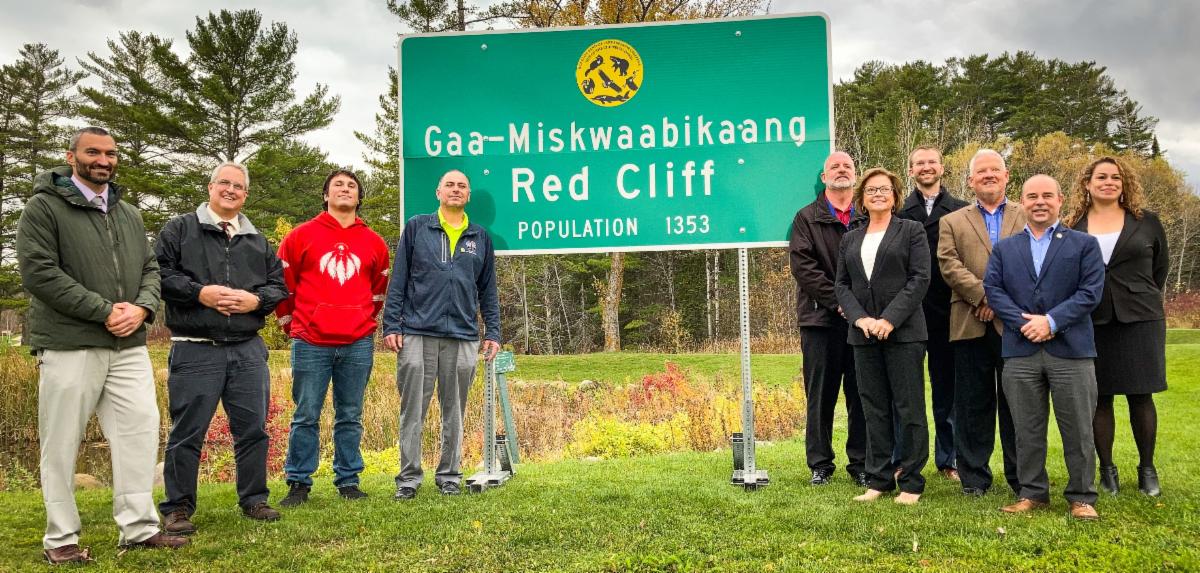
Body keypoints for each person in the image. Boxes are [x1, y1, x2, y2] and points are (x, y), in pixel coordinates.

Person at [16, 127, 188, 564]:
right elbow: (40, 273)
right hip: (70, 343)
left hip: (128, 344)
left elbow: (151, 269)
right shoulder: (43, 208)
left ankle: (139, 527)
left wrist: (145, 310)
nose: (104, 160)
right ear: (71, 155)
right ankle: (61, 538)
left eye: (110, 154)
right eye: (93, 152)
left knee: (140, 431)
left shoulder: (127, 213)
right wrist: (103, 310)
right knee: (62, 441)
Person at [156, 162, 289, 534]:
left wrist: (254, 301)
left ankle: (254, 499)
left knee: (252, 430)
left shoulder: (258, 241)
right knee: (187, 431)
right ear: (211, 187)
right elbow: (160, 276)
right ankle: (178, 507)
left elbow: (278, 287)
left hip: (247, 349)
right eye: (224, 184)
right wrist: (200, 293)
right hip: (196, 348)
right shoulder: (179, 230)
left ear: (246, 194)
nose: (231, 190)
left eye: (239, 186)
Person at [984, 174, 1105, 520]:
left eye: (1047, 196)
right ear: (1022, 201)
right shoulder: (1006, 248)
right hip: (1020, 351)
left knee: (1078, 427)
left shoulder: (1083, 244)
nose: (1039, 202)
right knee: (1026, 427)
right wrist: (1026, 324)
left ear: (1060, 200)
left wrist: (1050, 321)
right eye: (1032, 196)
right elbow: (994, 291)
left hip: (1071, 350)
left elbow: (1090, 292)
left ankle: (1082, 497)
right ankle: (1033, 492)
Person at [383, 169, 501, 499]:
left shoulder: (480, 237)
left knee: (455, 412)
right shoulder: (418, 228)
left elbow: (488, 290)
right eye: (449, 184)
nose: (455, 189)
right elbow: (399, 279)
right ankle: (408, 479)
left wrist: (493, 331)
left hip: (463, 335)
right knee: (413, 411)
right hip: (417, 332)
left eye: (462, 186)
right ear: (438, 192)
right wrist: (391, 324)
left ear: (469, 195)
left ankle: (449, 476)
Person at [276, 169, 391, 505]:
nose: (345, 189)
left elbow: (378, 291)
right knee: (306, 414)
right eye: (337, 185)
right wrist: (293, 325)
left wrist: (362, 321)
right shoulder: (300, 236)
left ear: (358, 197)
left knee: (350, 414)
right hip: (311, 341)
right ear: (325, 195)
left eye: (351, 186)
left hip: (357, 342)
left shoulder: (374, 242)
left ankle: (348, 480)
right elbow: (283, 284)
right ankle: (299, 483)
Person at [1066, 156, 1169, 496]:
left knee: (1141, 395)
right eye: (1101, 177)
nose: (1108, 182)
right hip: (1092, 321)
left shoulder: (1147, 222)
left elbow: (1160, 271)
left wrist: (1137, 294)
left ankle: (1147, 468)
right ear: (1088, 183)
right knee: (1100, 398)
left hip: (1140, 318)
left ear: (1124, 185)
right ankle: (1107, 469)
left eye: (1115, 177)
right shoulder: (1073, 224)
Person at [835, 167, 931, 505]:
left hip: (903, 334)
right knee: (873, 408)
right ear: (862, 198)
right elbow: (842, 285)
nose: (878, 194)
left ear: (895, 195)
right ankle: (878, 480)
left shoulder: (912, 231)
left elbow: (919, 279)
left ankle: (912, 482)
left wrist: (889, 319)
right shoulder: (851, 237)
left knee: (909, 408)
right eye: (872, 189)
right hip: (863, 336)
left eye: (885, 189)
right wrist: (861, 319)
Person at [936, 149, 1024, 497]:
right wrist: (984, 297)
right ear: (970, 180)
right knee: (972, 404)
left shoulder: (1026, 214)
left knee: (1017, 402)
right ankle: (974, 478)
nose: (988, 175)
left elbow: (1035, 261)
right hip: (969, 321)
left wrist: (999, 303)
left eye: (995, 170)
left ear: (1006, 176)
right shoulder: (953, 221)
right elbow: (949, 265)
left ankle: (1022, 476)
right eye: (980, 171)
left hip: (1015, 324)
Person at [788, 151, 868, 486]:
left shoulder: (868, 217)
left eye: (847, 166)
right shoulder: (807, 218)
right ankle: (820, 464)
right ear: (824, 178)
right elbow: (803, 267)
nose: (841, 170)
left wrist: (858, 308)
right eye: (834, 166)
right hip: (820, 321)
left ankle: (862, 464)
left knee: (862, 394)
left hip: (862, 321)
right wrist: (841, 302)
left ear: (855, 175)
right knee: (820, 395)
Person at [897, 145, 967, 481]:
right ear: (911, 170)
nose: (926, 167)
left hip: (947, 312)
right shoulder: (898, 211)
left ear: (942, 167)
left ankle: (948, 459)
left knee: (947, 390)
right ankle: (903, 458)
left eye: (931, 162)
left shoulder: (961, 210)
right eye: (919, 163)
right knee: (906, 390)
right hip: (907, 313)